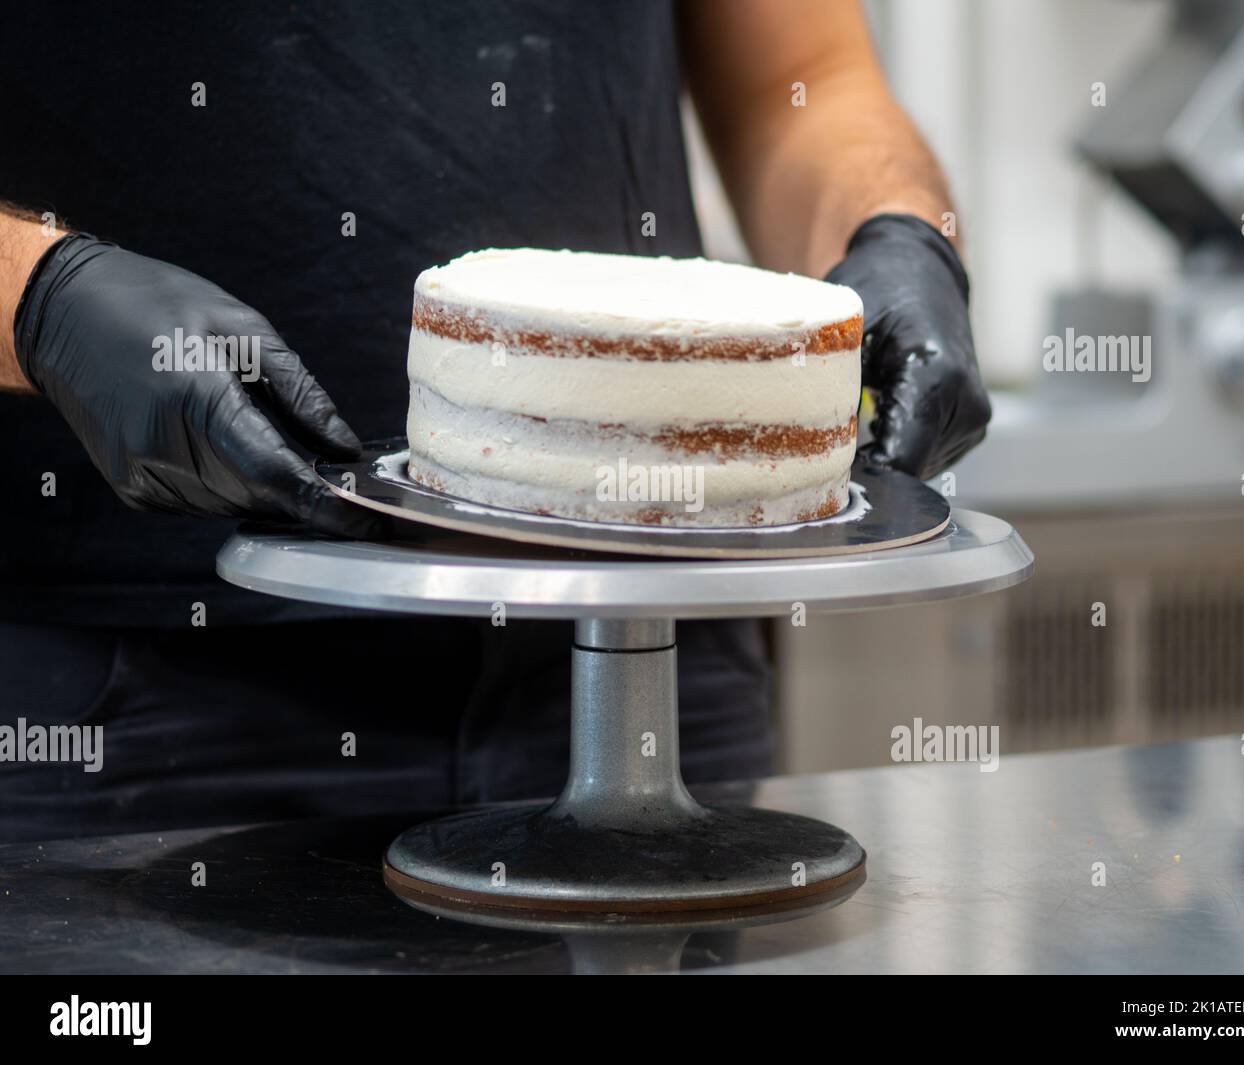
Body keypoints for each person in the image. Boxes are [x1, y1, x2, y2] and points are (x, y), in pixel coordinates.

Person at [0, 0, 990, 842]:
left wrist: (900, 233)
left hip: (643, 655)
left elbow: (800, 85)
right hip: (129, 688)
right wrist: (41, 303)